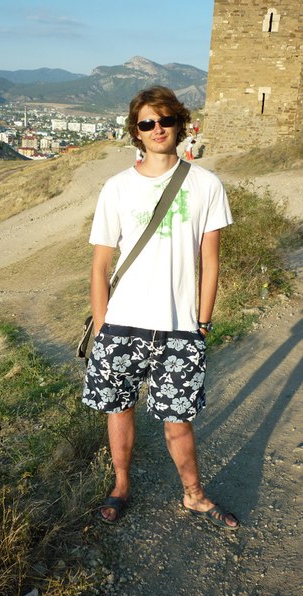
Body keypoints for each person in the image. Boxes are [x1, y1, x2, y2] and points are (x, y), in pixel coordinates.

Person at [82, 86, 239, 530]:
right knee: (119, 411)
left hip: (179, 328)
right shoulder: (116, 188)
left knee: (179, 420)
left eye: (165, 120)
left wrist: (202, 324)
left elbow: (211, 263)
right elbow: (100, 265)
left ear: (180, 124)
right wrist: (102, 326)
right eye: (147, 123)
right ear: (136, 130)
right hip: (121, 325)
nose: (157, 129)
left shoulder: (206, 184)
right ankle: (121, 486)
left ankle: (194, 494)